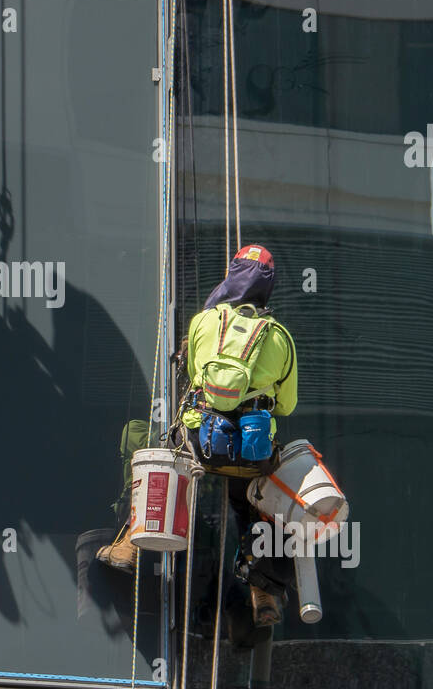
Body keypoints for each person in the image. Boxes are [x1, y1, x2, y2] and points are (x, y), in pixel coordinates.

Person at [99, 244, 298, 631]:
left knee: (161, 465)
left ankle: (128, 546)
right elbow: (286, 406)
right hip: (249, 451)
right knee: (259, 502)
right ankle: (266, 592)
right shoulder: (280, 337)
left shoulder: (204, 323)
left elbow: (192, 375)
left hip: (199, 441)